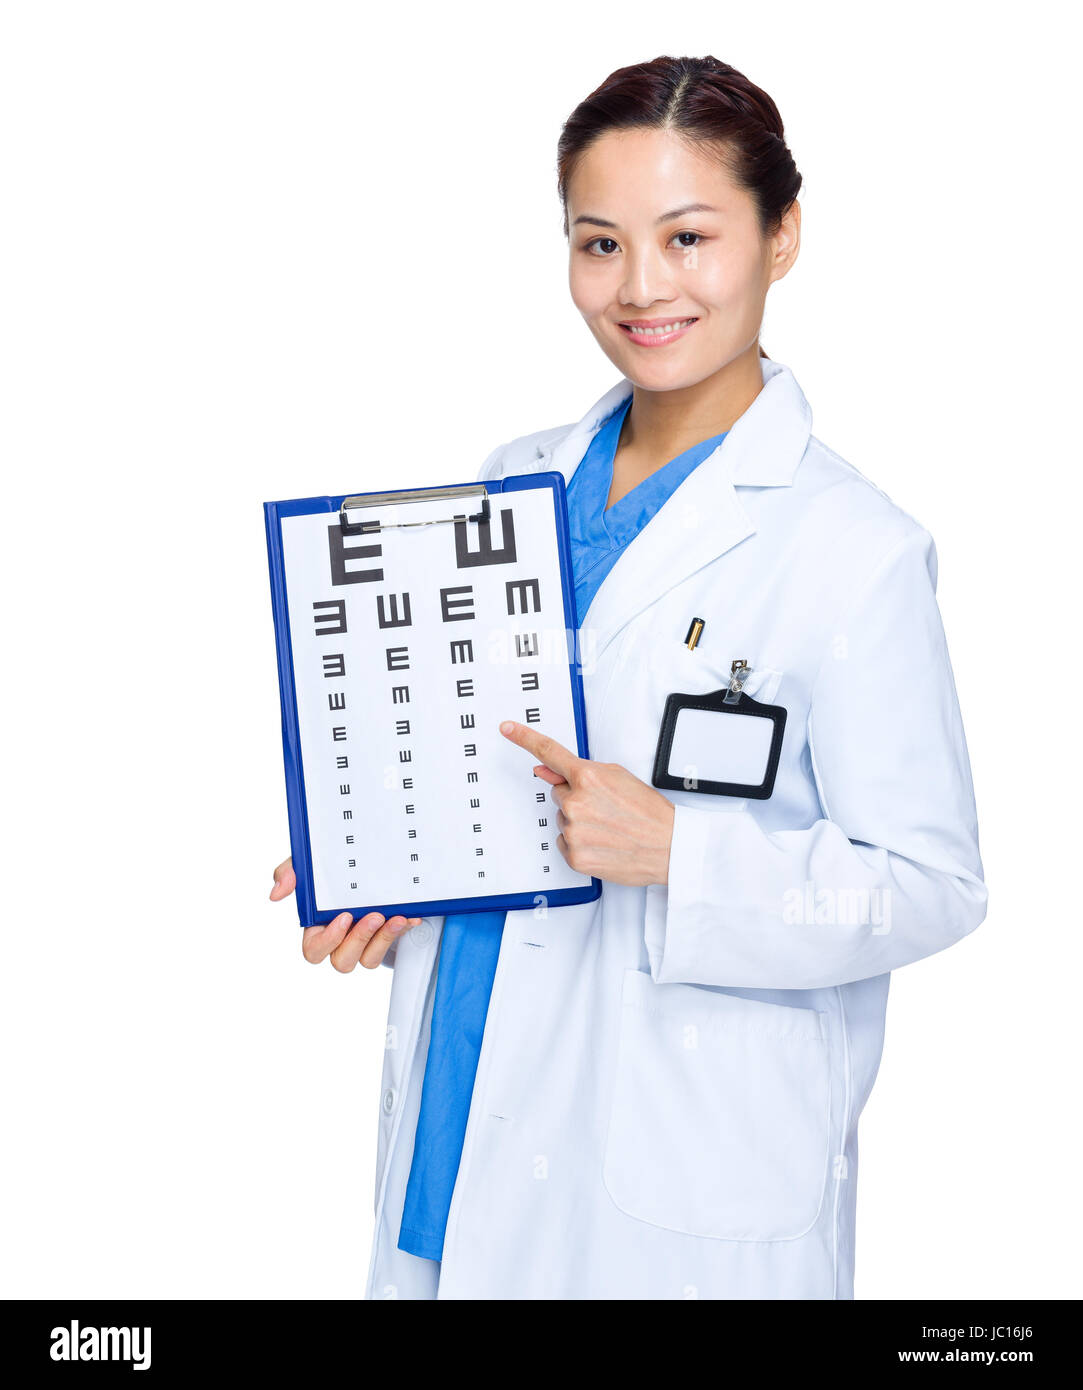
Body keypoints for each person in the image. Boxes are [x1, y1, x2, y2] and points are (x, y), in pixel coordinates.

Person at [269, 54, 987, 1300]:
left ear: (785, 236)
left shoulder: (851, 550)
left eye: (690, 236)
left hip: (675, 1193)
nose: (643, 286)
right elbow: (489, 783)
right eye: (599, 243)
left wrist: (682, 853)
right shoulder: (512, 478)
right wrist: (391, 855)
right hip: (462, 1132)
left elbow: (931, 886)